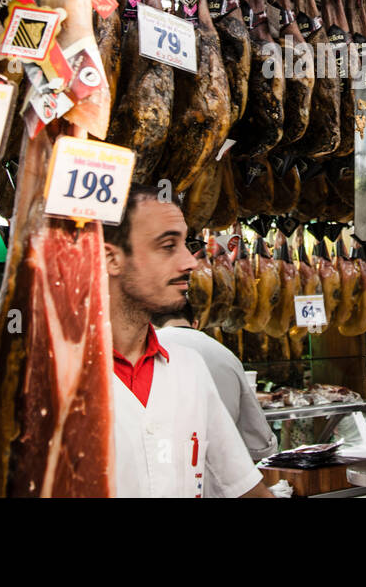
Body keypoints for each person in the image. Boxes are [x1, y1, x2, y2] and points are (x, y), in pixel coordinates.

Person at [105, 183, 273, 498]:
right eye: (168, 245)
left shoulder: (189, 367)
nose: (190, 262)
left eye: (185, 244)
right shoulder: (51, 375)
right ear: (112, 259)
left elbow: (245, 488)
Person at [155, 305, 280, 462]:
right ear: (196, 323)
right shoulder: (226, 355)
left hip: (162, 465)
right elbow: (258, 441)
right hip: (220, 469)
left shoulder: (146, 349)